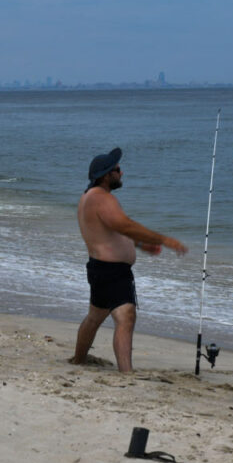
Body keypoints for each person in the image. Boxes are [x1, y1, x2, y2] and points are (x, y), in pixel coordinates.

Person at [69, 148, 187, 372]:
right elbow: (125, 225)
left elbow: (111, 231)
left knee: (95, 317)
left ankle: (79, 360)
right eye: (117, 169)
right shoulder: (101, 198)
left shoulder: (90, 197)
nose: (121, 173)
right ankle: (126, 373)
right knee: (126, 316)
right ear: (106, 175)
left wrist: (140, 245)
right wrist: (164, 240)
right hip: (113, 271)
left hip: (100, 268)